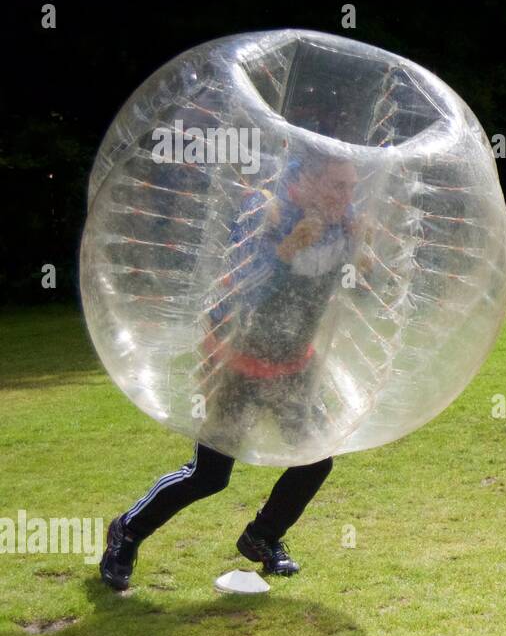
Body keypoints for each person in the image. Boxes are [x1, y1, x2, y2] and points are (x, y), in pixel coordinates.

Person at [100, 155, 361, 590]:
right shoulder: (267, 213)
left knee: (315, 461)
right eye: (337, 186)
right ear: (308, 181)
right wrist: (286, 250)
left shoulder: (343, 222)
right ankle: (126, 531)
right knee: (209, 476)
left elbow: (347, 285)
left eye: (351, 187)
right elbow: (234, 289)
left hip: (294, 365)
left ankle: (262, 537)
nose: (346, 198)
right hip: (237, 364)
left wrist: (358, 249)